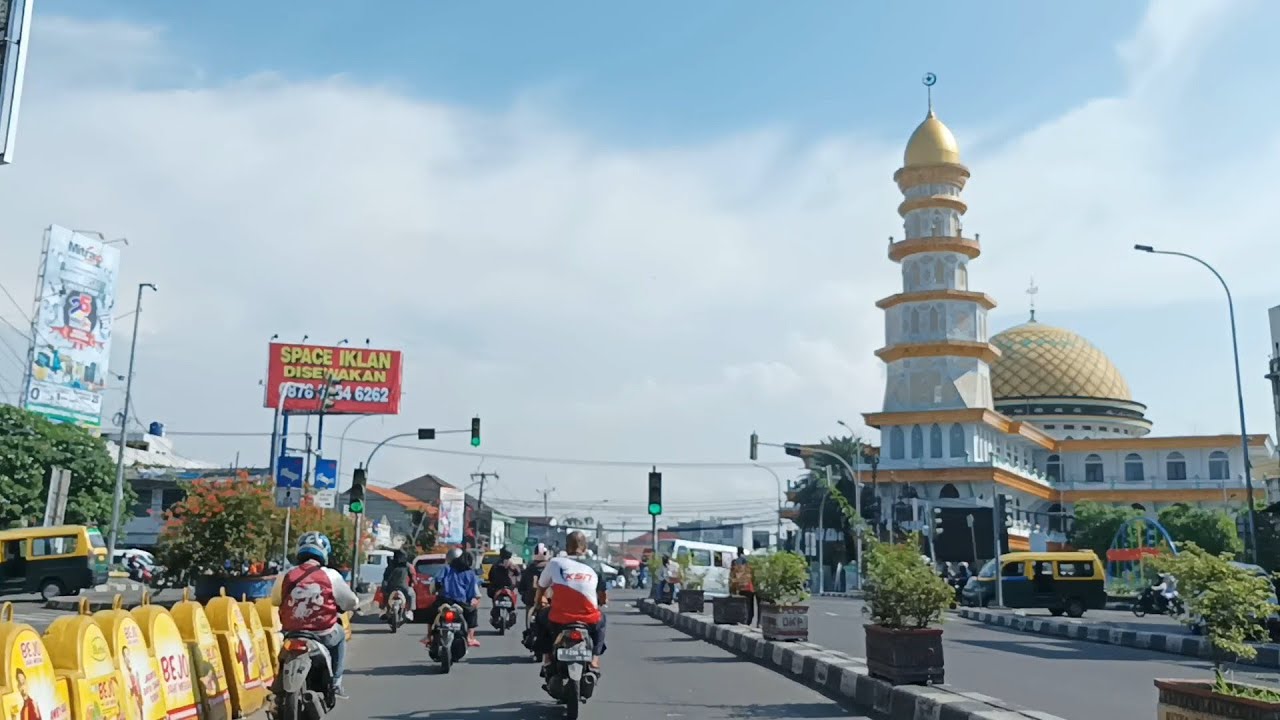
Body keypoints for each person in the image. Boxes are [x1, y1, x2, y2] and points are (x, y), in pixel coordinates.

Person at [271, 532, 359, 698]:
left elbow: (275, 600)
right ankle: (336, 683)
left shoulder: (285, 575)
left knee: (282, 653)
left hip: (291, 633)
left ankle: (278, 683)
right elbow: (351, 602)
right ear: (324, 552)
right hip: (322, 634)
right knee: (340, 636)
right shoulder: (331, 575)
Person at [534, 531, 607, 675]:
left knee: (540, 619)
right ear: (585, 547)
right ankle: (595, 660)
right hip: (589, 619)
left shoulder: (555, 563)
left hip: (559, 618)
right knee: (602, 621)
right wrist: (602, 602)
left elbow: (541, 587)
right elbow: (603, 594)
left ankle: (547, 658)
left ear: (566, 547)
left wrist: (538, 603)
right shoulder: (595, 565)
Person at [427, 548, 482, 647]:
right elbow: (472, 593)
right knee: (473, 612)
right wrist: (471, 601)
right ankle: (470, 637)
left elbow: (436, 582)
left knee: (432, 613)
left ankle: (428, 636)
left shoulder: (446, 569)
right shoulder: (470, 573)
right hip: (461, 603)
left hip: (443, 601)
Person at [379, 549, 416, 621]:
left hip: (390, 587)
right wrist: (412, 583)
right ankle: (409, 611)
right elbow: (412, 576)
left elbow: (385, 577)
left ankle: (384, 609)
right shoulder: (407, 565)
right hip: (404, 587)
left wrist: (384, 585)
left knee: (384, 594)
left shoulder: (391, 564)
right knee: (412, 594)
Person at [729, 547, 757, 626]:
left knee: (741, 605)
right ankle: (748, 621)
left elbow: (732, 576)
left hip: (739, 587)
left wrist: (731, 589)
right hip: (749, 587)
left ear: (737, 553)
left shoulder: (734, 562)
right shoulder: (749, 561)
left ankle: (743, 620)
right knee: (749, 606)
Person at [520, 543, 551, 609]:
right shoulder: (551, 567)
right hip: (548, 600)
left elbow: (522, 586)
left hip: (531, 599)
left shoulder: (529, 569)